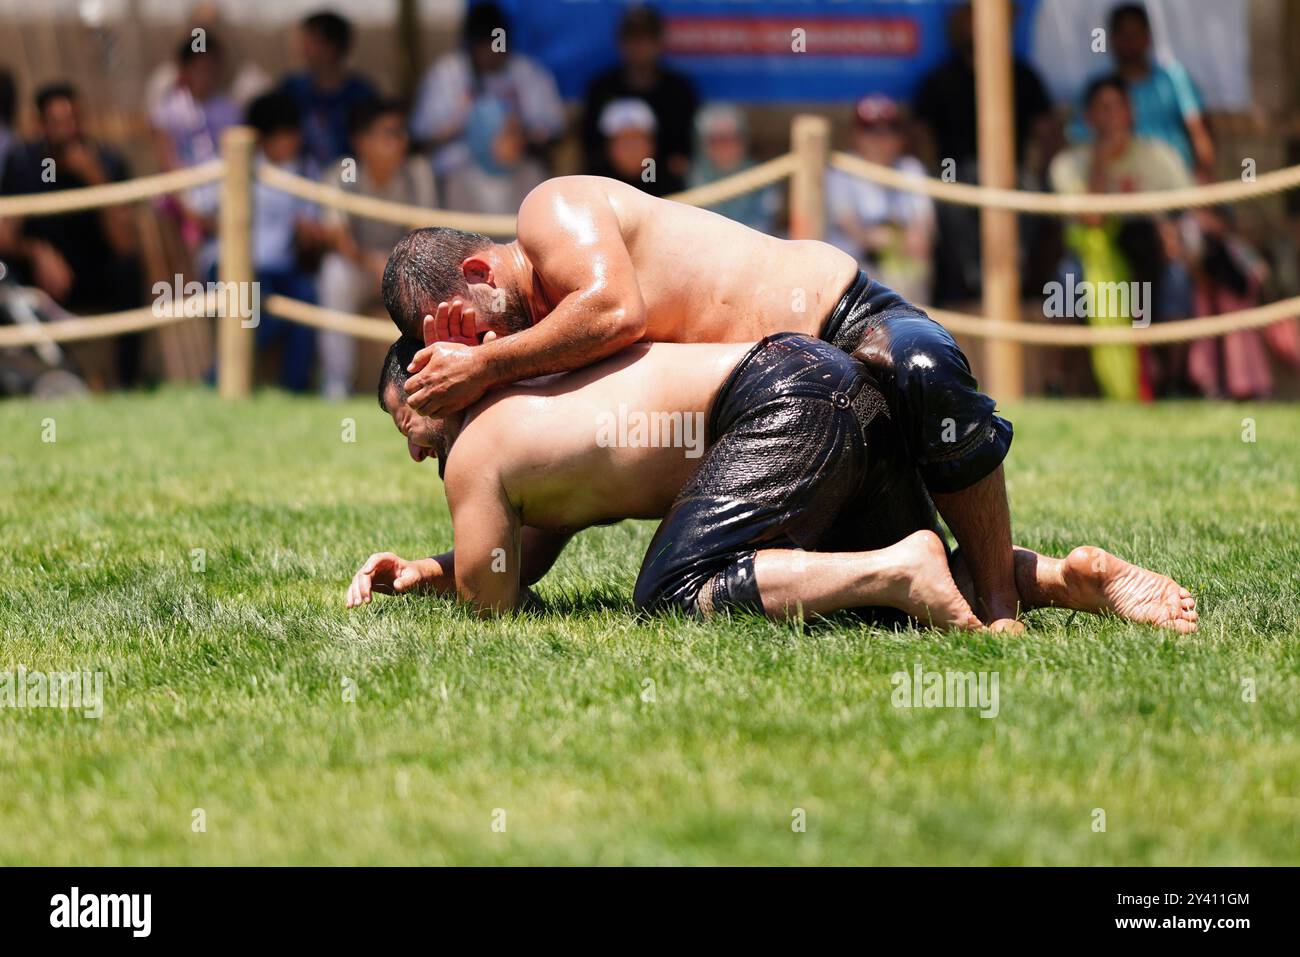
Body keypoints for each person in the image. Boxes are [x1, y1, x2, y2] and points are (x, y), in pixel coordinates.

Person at [382, 179, 1019, 629]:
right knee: (873, 559)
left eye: (464, 330)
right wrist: (438, 569)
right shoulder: (552, 351)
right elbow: (543, 516)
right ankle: (1074, 577)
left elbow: (614, 310)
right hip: (787, 408)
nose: (473, 351)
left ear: (479, 271)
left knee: (924, 374)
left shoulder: (549, 212)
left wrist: (485, 365)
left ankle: (1001, 604)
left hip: (843, 315)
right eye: (453, 351)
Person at [349, 312, 1198, 636]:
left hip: (779, 405)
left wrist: (454, 583)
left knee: (673, 592)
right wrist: (431, 571)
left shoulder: (478, 449)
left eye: (407, 421)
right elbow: (519, 552)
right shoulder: (543, 387)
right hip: (824, 383)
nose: (417, 449)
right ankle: (1070, 578)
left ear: (432, 373)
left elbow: (491, 604)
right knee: (852, 601)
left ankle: (899, 567)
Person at [1050, 75, 1193, 400]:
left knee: (1177, 278)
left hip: (1152, 258)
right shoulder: (1069, 164)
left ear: (1132, 112)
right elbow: (1093, 218)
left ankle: (1173, 382)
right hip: (1095, 263)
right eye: (1103, 108)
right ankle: (1058, 383)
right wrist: (1102, 160)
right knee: (1064, 282)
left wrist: (1173, 240)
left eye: (1118, 107)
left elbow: (1187, 213)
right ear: (1088, 117)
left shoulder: (1161, 156)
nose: (1111, 116)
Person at [0, 83, 144, 387]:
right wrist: (36, 252)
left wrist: (94, 179)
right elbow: (4, 234)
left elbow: (125, 245)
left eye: (74, 120)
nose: (69, 131)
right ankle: (33, 380)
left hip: (92, 275)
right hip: (39, 281)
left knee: (129, 271)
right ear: (40, 125)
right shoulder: (23, 162)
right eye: (58, 122)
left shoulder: (107, 161)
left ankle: (127, 383)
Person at [913, 2, 1056, 305]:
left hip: (1012, 175)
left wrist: (1042, 173)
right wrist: (929, 175)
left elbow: (1047, 132)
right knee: (946, 199)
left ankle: (1013, 279)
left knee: (1032, 192)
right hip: (953, 173)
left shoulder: (1023, 75)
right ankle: (972, 281)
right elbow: (919, 136)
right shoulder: (940, 79)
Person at [317, 98, 436, 398]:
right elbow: (339, 237)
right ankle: (336, 385)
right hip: (360, 267)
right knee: (334, 274)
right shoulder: (342, 172)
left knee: (433, 278)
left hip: (406, 270)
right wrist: (373, 264)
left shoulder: (417, 171)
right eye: (389, 133)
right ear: (362, 141)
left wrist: (392, 266)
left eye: (401, 132)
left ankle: (420, 387)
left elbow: (423, 236)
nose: (400, 141)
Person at [410, 2, 564, 182]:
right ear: (471, 45)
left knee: (533, 175)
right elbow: (421, 136)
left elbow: (552, 130)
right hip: (458, 168)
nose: (493, 52)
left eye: (499, 44)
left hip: (514, 166)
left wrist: (517, 134)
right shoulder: (447, 73)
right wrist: (463, 125)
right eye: (485, 45)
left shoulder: (527, 72)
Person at [245, 91, 336, 392]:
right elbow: (200, 208)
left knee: (307, 299)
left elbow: (310, 231)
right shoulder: (240, 167)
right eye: (285, 134)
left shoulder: (306, 170)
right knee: (264, 316)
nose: (293, 140)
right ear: (264, 139)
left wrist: (310, 235)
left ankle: (294, 388)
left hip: (283, 268)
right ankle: (218, 378)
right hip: (241, 268)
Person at [1073, 3, 1214, 179]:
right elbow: (1079, 142)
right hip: (1119, 187)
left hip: (1176, 185)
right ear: (1112, 40)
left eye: (1135, 33)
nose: (1129, 41)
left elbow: (1199, 131)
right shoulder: (1099, 90)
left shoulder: (1174, 79)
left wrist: (1203, 183)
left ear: (1148, 37)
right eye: (1123, 34)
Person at [826, 95, 935, 306]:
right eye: (871, 132)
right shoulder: (840, 169)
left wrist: (901, 240)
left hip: (901, 268)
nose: (880, 140)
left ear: (900, 137)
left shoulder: (910, 167)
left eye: (888, 131)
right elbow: (855, 230)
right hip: (854, 273)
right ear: (856, 135)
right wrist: (889, 239)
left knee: (915, 267)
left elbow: (924, 228)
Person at [149, 36, 241, 273]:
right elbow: (167, 162)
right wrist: (191, 210)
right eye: (200, 68)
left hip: (222, 196)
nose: (207, 76)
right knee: (184, 248)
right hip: (182, 198)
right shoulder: (169, 110)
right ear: (184, 70)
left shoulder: (230, 110)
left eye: (212, 68)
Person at [582, 6, 698, 186]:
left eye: (647, 40)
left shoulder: (678, 89)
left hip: (660, 179)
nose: (640, 48)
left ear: (659, 42)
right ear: (621, 43)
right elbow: (591, 147)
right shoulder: (601, 87)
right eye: (633, 40)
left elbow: (682, 153)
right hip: (609, 180)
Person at [276, 10, 378, 171]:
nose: (300, 49)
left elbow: (368, 150)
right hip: (300, 183)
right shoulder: (291, 90)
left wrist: (346, 184)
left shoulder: (362, 94)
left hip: (349, 176)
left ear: (331, 47)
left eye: (307, 41)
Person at [687, 104, 778, 234]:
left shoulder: (761, 175)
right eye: (716, 140)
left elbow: (764, 222)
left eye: (732, 137)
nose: (725, 146)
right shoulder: (696, 176)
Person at [597, 98, 681, 196]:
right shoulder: (593, 185)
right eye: (624, 142)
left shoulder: (672, 184)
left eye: (637, 141)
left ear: (652, 144)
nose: (631, 150)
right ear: (608, 147)